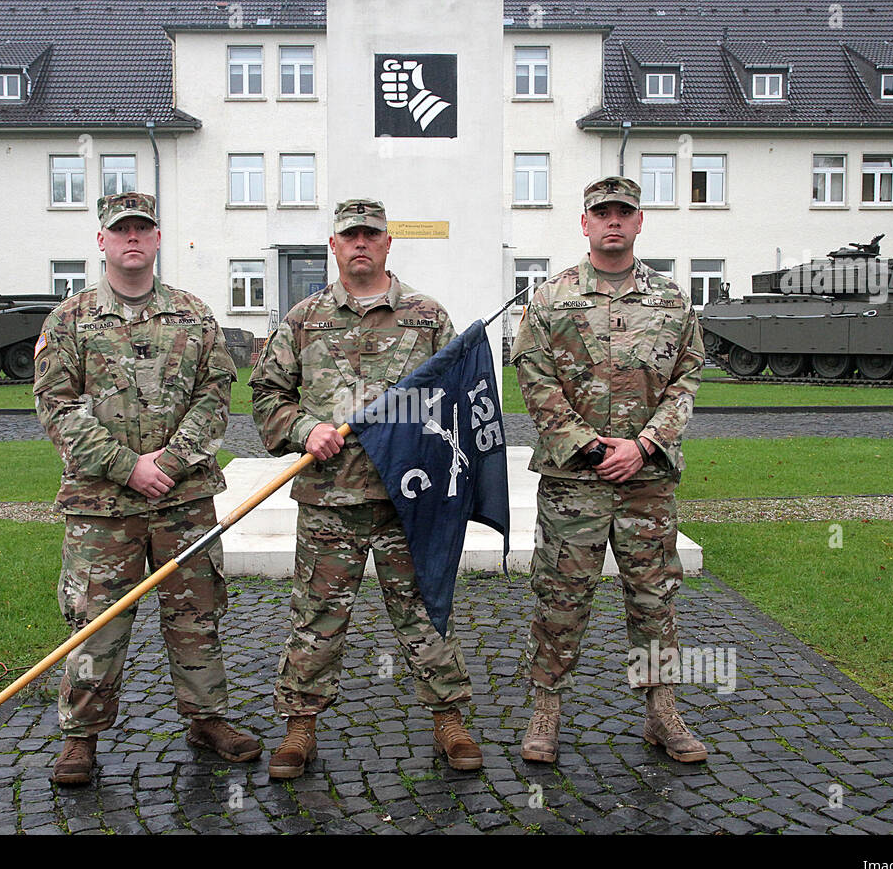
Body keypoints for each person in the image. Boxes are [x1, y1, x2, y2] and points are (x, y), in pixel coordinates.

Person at [250, 198, 482, 779]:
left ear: (386, 243)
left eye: (370, 235)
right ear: (333, 245)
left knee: (425, 612)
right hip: (331, 500)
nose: (360, 244)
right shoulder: (304, 320)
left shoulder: (428, 318)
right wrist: (305, 429)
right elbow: (267, 395)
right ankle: (300, 726)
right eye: (349, 235)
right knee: (318, 616)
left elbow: (457, 397)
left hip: (411, 499)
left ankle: (449, 718)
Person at [34, 191, 260, 784]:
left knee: (196, 612)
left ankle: (207, 718)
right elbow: (57, 409)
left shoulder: (194, 315)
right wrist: (125, 465)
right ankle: (81, 737)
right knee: (95, 620)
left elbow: (215, 397)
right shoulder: (70, 321)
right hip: (101, 506)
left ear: (158, 239)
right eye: (120, 230)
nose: (132, 238)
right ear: (102, 241)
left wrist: (175, 459)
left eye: (143, 229)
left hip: (182, 500)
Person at [510, 176, 706, 764]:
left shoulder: (672, 300)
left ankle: (661, 711)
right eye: (602, 213)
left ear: (639, 221)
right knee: (561, 597)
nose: (612, 222)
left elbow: (687, 379)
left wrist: (645, 445)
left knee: (654, 598)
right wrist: (591, 447)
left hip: (646, 484)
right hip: (576, 484)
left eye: (623, 212)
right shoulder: (550, 300)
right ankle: (546, 709)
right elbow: (533, 378)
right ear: (585, 222)